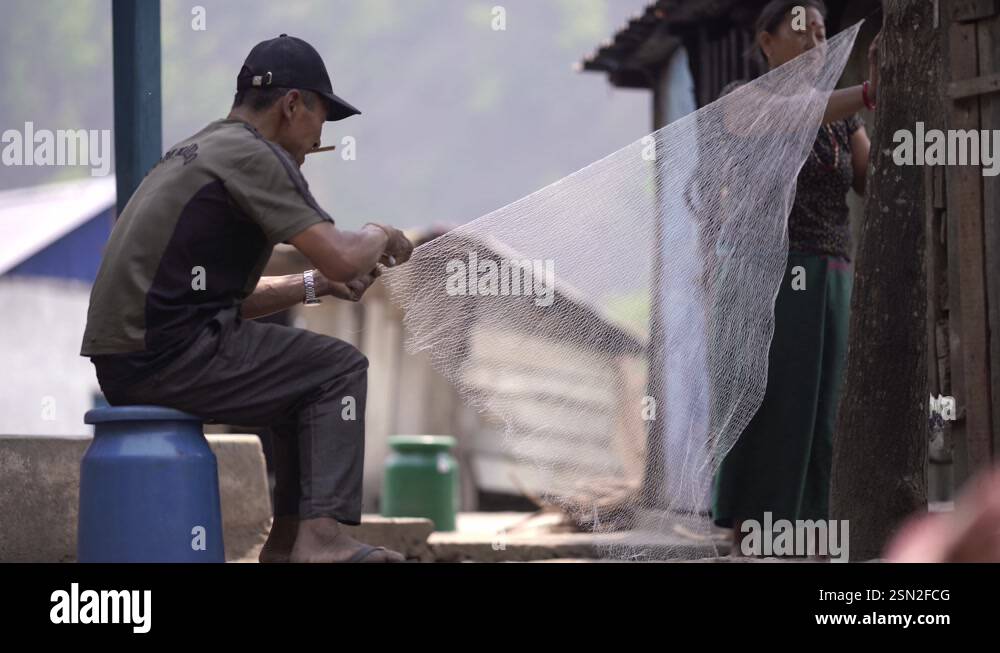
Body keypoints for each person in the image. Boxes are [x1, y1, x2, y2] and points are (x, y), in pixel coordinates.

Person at [81, 35, 414, 563]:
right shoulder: (256, 156)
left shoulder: (199, 149)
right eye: (319, 126)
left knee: (295, 385)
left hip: (132, 358)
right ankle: (321, 539)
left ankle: (285, 545)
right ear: (292, 106)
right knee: (338, 369)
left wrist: (315, 285)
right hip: (165, 354)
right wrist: (381, 232)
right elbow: (344, 257)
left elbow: (212, 301)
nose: (314, 144)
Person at [710, 0, 877, 555]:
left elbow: (868, 179)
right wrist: (869, 91)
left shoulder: (845, 119)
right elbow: (791, 117)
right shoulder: (742, 99)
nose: (815, 45)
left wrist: (897, 106)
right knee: (772, 404)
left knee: (824, 410)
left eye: (824, 34)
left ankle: (809, 529)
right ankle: (754, 532)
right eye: (802, 31)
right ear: (766, 42)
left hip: (829, 278)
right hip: (766, 279)